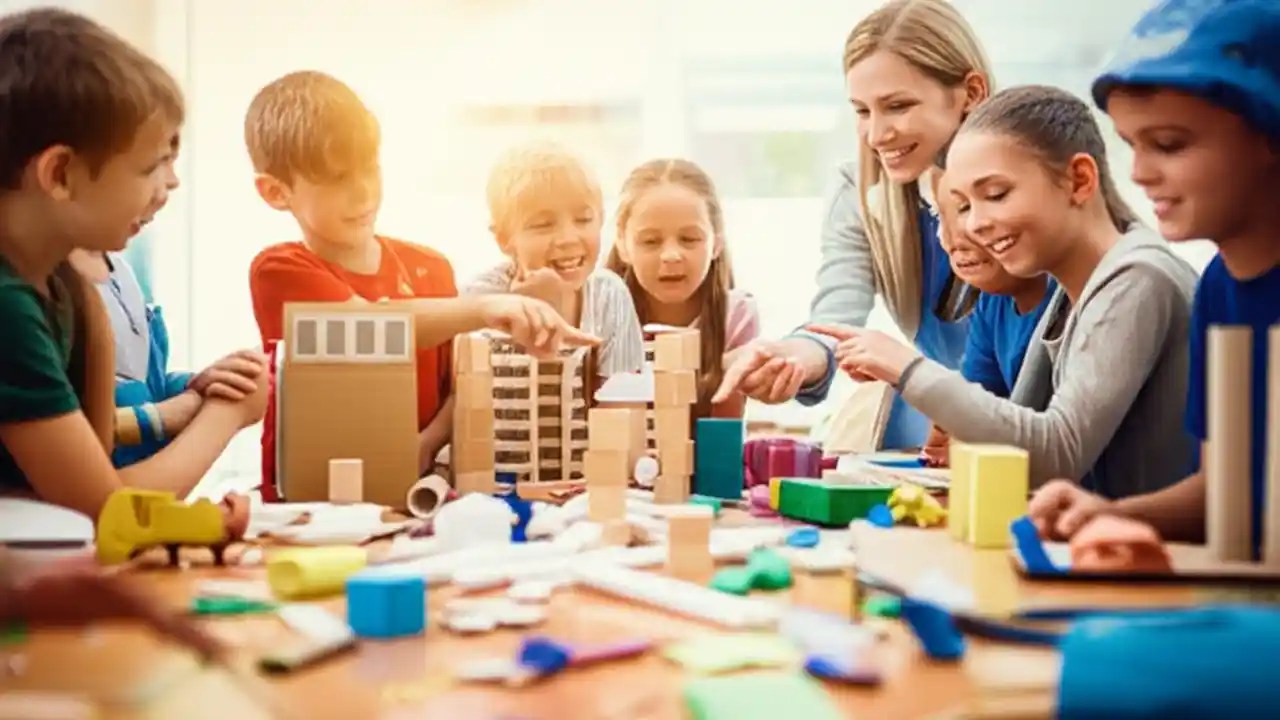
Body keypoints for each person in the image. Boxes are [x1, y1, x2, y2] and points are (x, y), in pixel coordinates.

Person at [812, 85, 1198, 497]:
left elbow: (1052, 456)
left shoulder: (1137, 279)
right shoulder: (1076, 291)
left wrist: (908, 370)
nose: (975, 225)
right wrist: (956, 421)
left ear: (1079, 180)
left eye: (995, 195)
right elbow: (1022, 420)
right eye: (965, 205)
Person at [246, 73, 592, 488]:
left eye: (370, 169)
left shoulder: (430, 268)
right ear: (275, 193)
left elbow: (457, 385)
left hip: (417, 498)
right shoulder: (280, 271)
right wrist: (487, 307)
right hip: (310, 507)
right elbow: (365, 329)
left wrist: (428, 443)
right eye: (337, 179)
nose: (364, 193)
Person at [0, 7, 269, 520]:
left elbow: (94, 455)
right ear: (60, 174)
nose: (169, 185)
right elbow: (105, 511)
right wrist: (228, 413)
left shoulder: (63, 284)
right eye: (150, 167)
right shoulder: (7, 306)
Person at [1029, 0, 1280, 548]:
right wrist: (1107, 514)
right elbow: (1226, 492)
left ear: (1269, 134)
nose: (1140, 174)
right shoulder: (1219, 289)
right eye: (1132, 146)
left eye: (1169, 144)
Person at [713, 0, 991, 450]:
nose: (877, 135)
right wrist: (793, 358)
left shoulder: (1028, 188)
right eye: (862, 111)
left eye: (897, 106)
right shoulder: (859, 190)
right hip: (940, 420)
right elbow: (836, 315)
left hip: (1019, 427)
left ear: (971, 94)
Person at [68, 135, 267, 468]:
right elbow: (75, 434)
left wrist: (196, 386)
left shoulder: (120, 268)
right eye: (154, 165)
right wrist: (198, 415)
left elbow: (139, 377)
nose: (172, 182)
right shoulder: (40, 292)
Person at [466, 140, 645, 383]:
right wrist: (537, 309)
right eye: (542, 225)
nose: (568, 239)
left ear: (601, 219)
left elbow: (624, 407)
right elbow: (478, 402)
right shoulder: (481, 298)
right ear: (504, 238)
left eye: (583, 219)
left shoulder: (609, 294)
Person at [605, 158, 760, 418]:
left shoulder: (736, 316)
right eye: (651, 241)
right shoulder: (601, 315)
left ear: (716, 242)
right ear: (623, 244)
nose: (671, 255)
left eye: (689, 239)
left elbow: (724, 430)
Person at [920, 183, 1055, 466]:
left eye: (964, 210)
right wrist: (954, 428)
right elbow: (975, 414)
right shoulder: (990, 302)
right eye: (939, 215)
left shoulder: (1074, 298)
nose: (948, 238)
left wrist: (908, 372)